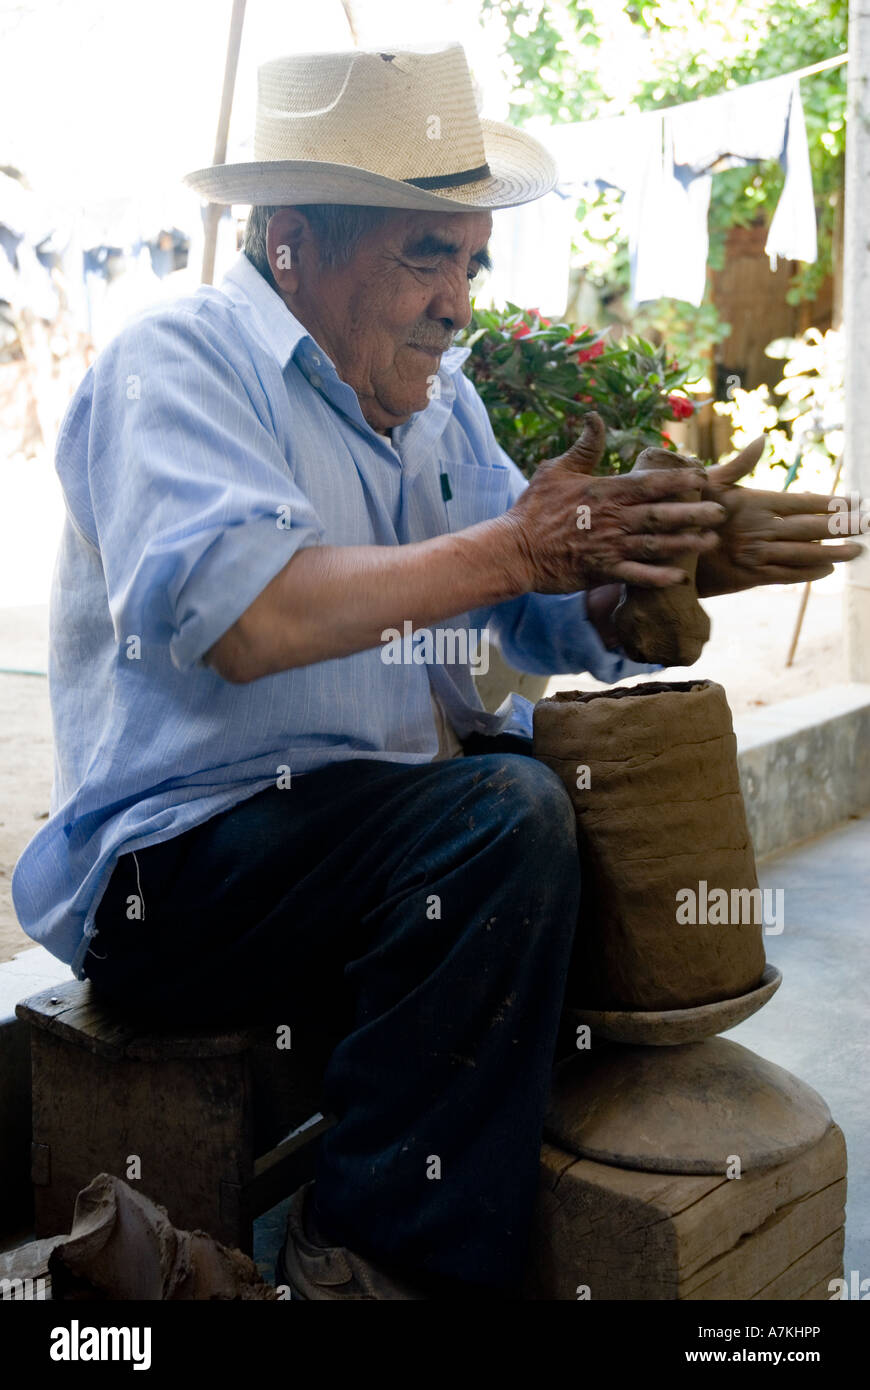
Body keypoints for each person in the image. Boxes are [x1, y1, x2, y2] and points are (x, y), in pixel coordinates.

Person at [12, 43, 860, 1301]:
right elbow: (251, 617)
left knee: (578, 803)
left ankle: (471, 1205)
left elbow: (528, 614)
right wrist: (521, 544)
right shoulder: (180, 362)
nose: (460, 301)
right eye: (426, 256)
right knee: (504, 817)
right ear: (292, 240)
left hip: (368, 853)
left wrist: (640, 585)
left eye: (472, 260)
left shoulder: (436, 398)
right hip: (183, 874)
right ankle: (363, 1274)